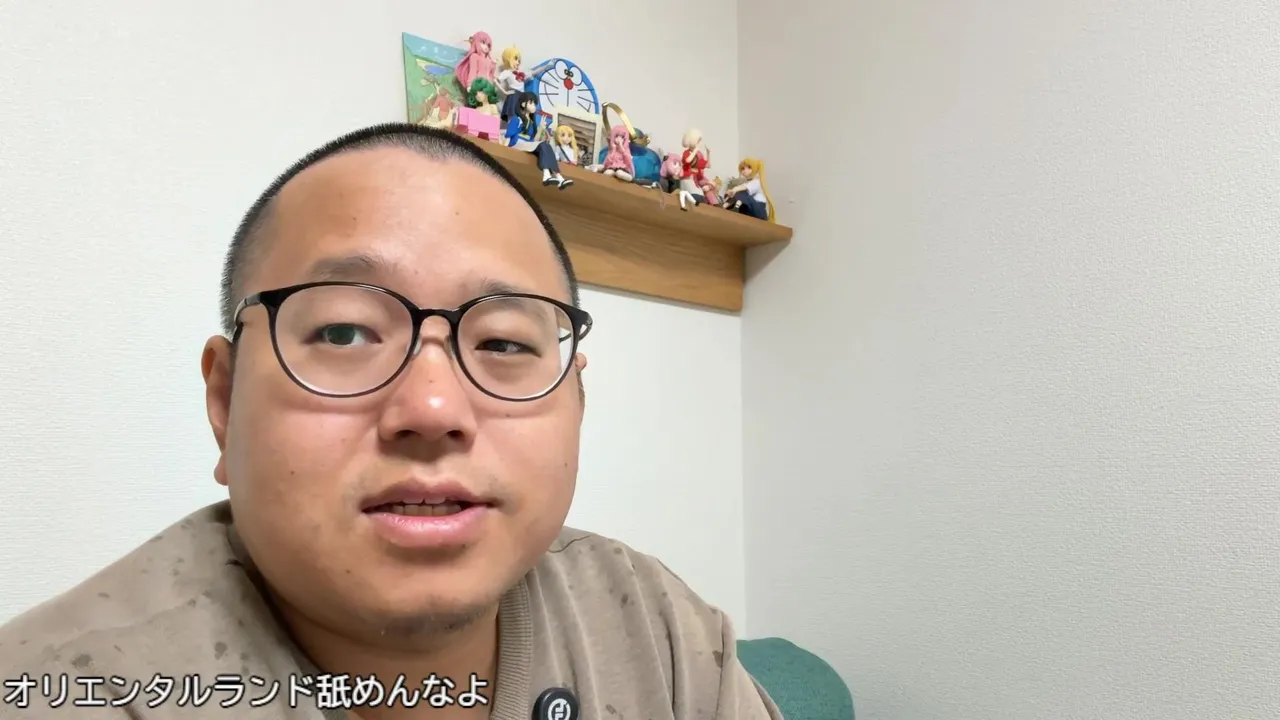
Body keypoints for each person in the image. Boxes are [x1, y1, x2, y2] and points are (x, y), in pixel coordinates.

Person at [0, 123, 781, 720]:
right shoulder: (63, 689)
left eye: (504, 342)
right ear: (225, 404)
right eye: (344, 332)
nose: (433, 409)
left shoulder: (660, 636)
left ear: (577, 400)